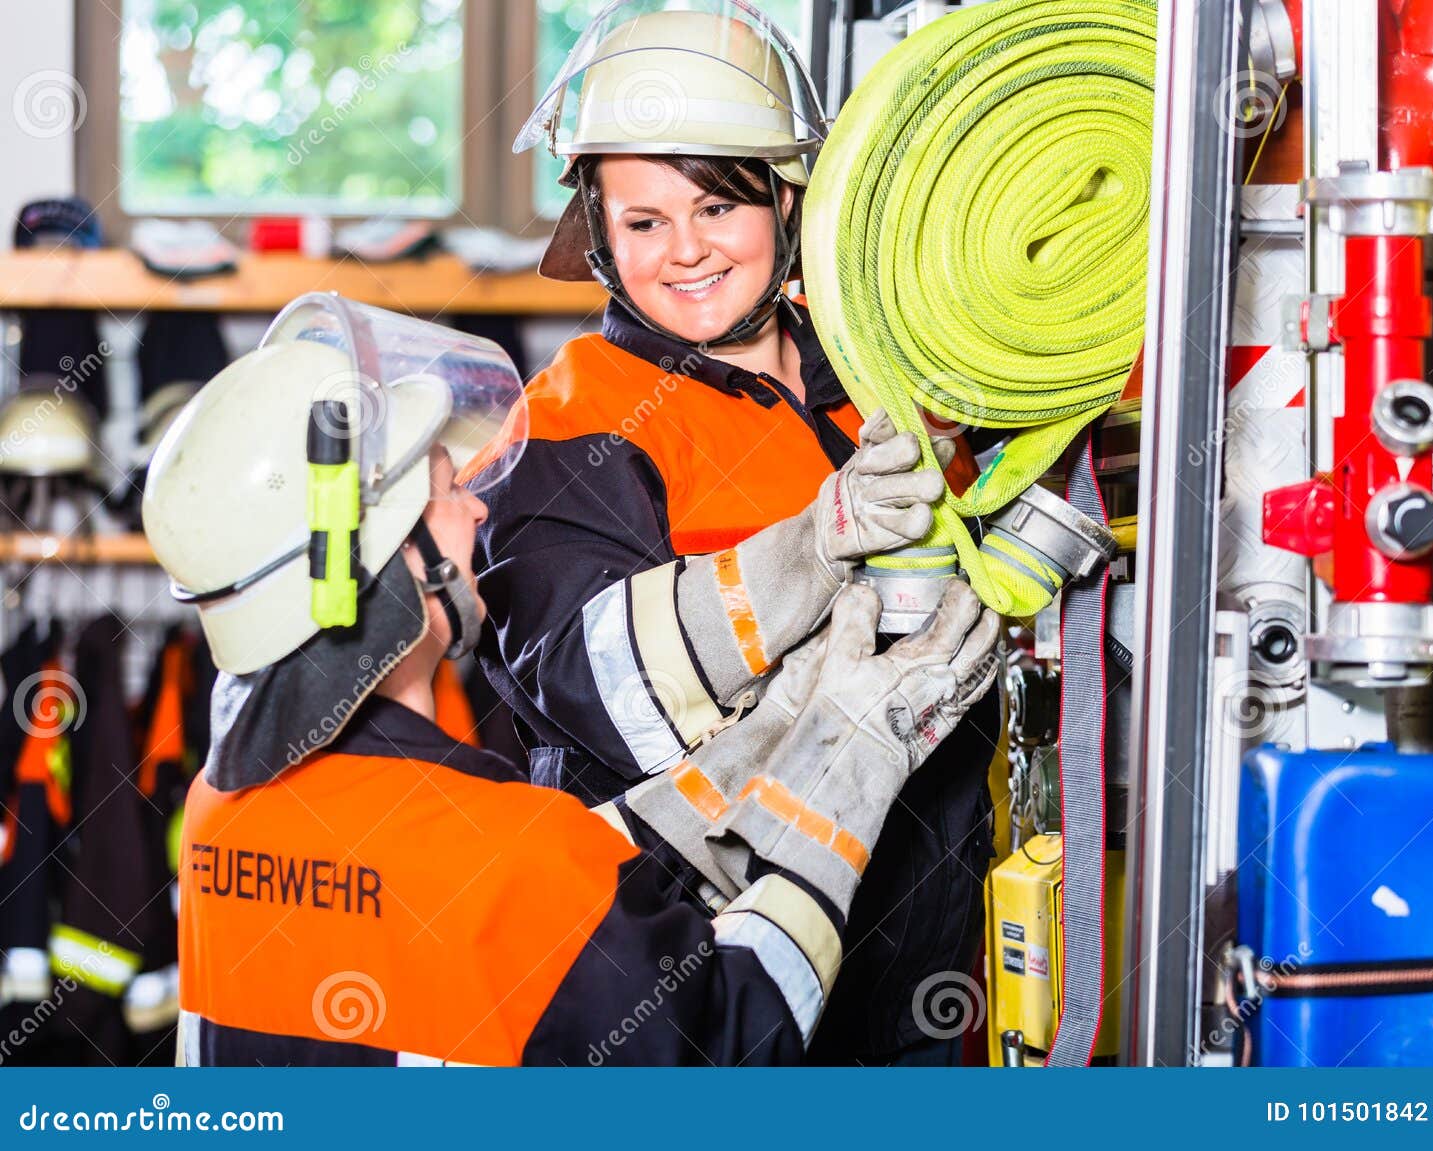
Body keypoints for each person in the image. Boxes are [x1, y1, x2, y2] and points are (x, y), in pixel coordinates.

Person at [145, 301, 1000, 1066]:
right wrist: (856, 761)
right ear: (388, 563)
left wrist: (779, 730)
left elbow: (565, 892)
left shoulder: (223, 817)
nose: (478, 510)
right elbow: (737, 1031)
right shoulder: (503, 859)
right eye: (446, 490)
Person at [471, 0, 1003, 1065]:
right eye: (643, 221)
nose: (686, 252)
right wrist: (812, 546)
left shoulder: (876, 371)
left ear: (786, 197)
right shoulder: (573, 420)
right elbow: (591, 690)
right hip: (724, 965)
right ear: (597, 234)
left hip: (939, 932)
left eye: (717, 205)